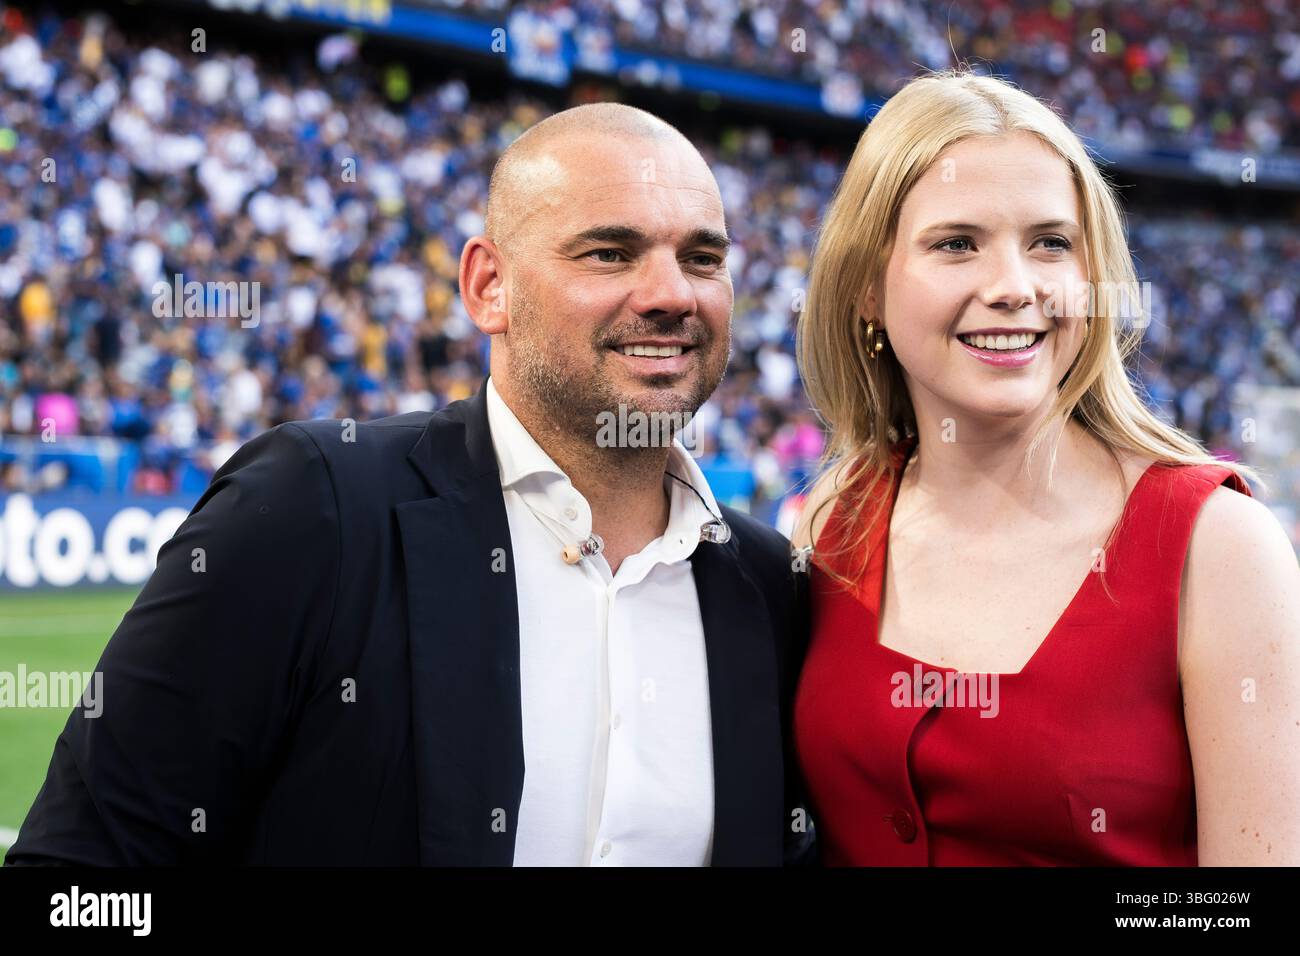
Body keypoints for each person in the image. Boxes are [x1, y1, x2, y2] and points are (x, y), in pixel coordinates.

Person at [5, 103, 814, 867]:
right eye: (609, 252)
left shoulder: (774, 590)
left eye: (703, 258)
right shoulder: (309, 508)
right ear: (487, 287)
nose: (673, 293)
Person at [791, 70, 1300, 866]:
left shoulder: (1219, 548)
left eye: (1050, 244)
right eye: (957, 243)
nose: (1015, 288)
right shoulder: (833, 520)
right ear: (865, 287)